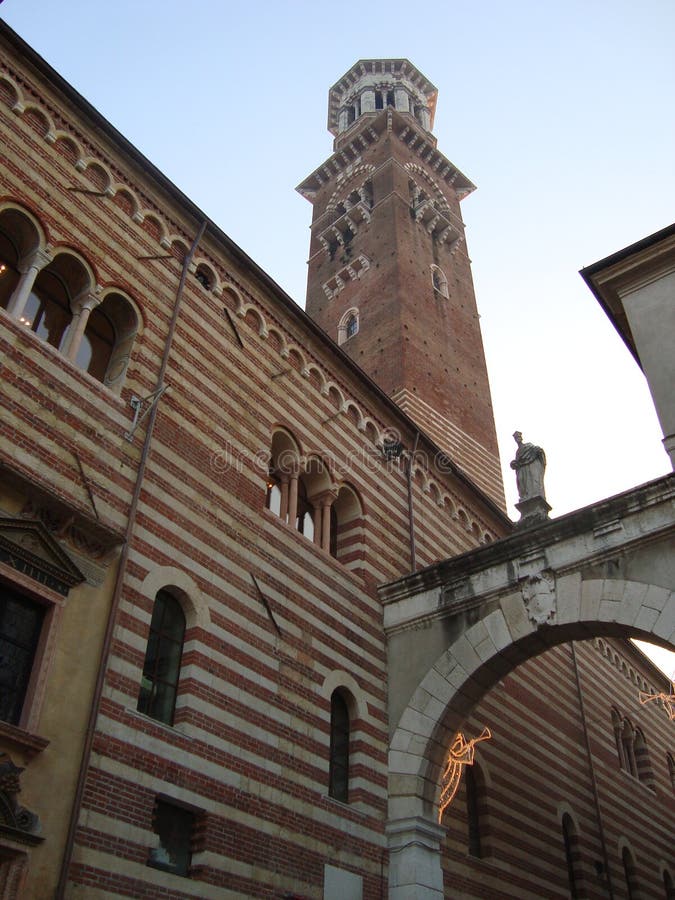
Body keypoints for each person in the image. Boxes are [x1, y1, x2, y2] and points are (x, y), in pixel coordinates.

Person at [510, 431, 546, 502]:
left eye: (519, 437)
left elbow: (536, 450)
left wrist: (537, 450)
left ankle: (534, 495)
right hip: (522, 469)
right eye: (516, 438)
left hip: (530, 467)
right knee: (521, 480)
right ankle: (525, 496)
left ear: (521, 438)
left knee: (532, 480)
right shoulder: (518, 452)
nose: (518, 439)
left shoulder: (528, 445)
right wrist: (514, 463)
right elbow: (518, 462)